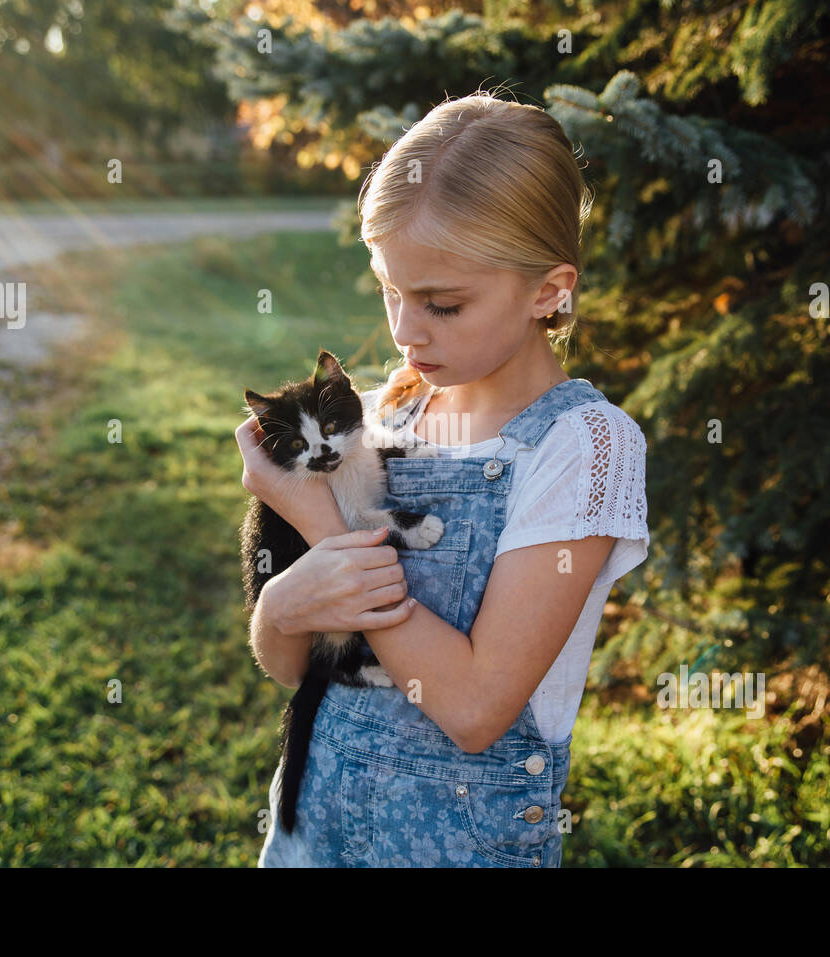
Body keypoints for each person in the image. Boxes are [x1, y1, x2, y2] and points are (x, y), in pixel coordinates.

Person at [234, 89, 649, 867]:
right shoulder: (390, 415)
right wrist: (283, 600)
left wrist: (319, 519)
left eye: (442, 303)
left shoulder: (583, 446)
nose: (402, 330)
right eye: (389, 290)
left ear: (550, 291)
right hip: (310, 834)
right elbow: (290, 663)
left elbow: (470, 708)